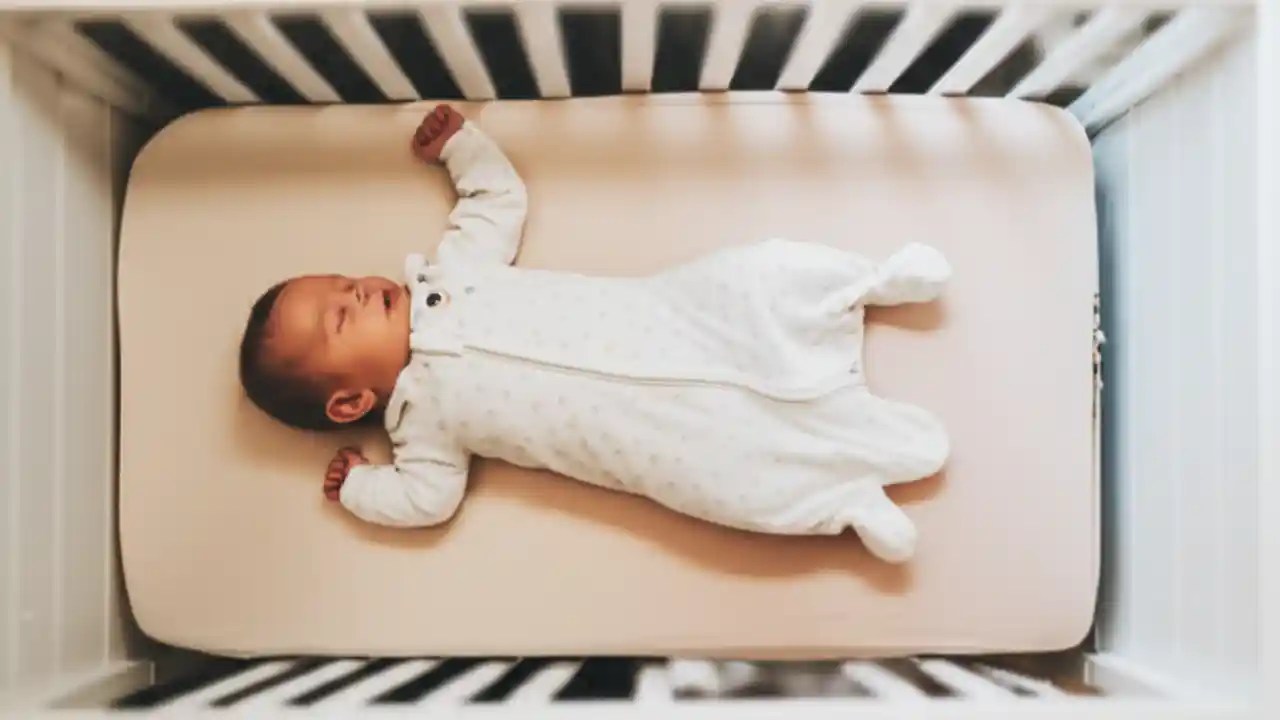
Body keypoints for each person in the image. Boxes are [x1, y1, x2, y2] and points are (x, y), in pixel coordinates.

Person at [238, 105, 951, 563]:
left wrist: (463, 146)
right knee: (730, 484)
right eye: (341, 317)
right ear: (348, 403)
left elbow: (496, 201)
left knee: (754, 275)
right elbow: (428, 503)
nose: (357, 291)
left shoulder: (452, 271)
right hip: (649, 436)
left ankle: (868, 282)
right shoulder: (421, 431)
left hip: (670, 314)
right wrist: (363, 489)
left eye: (341, 284)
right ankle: (847, 501)